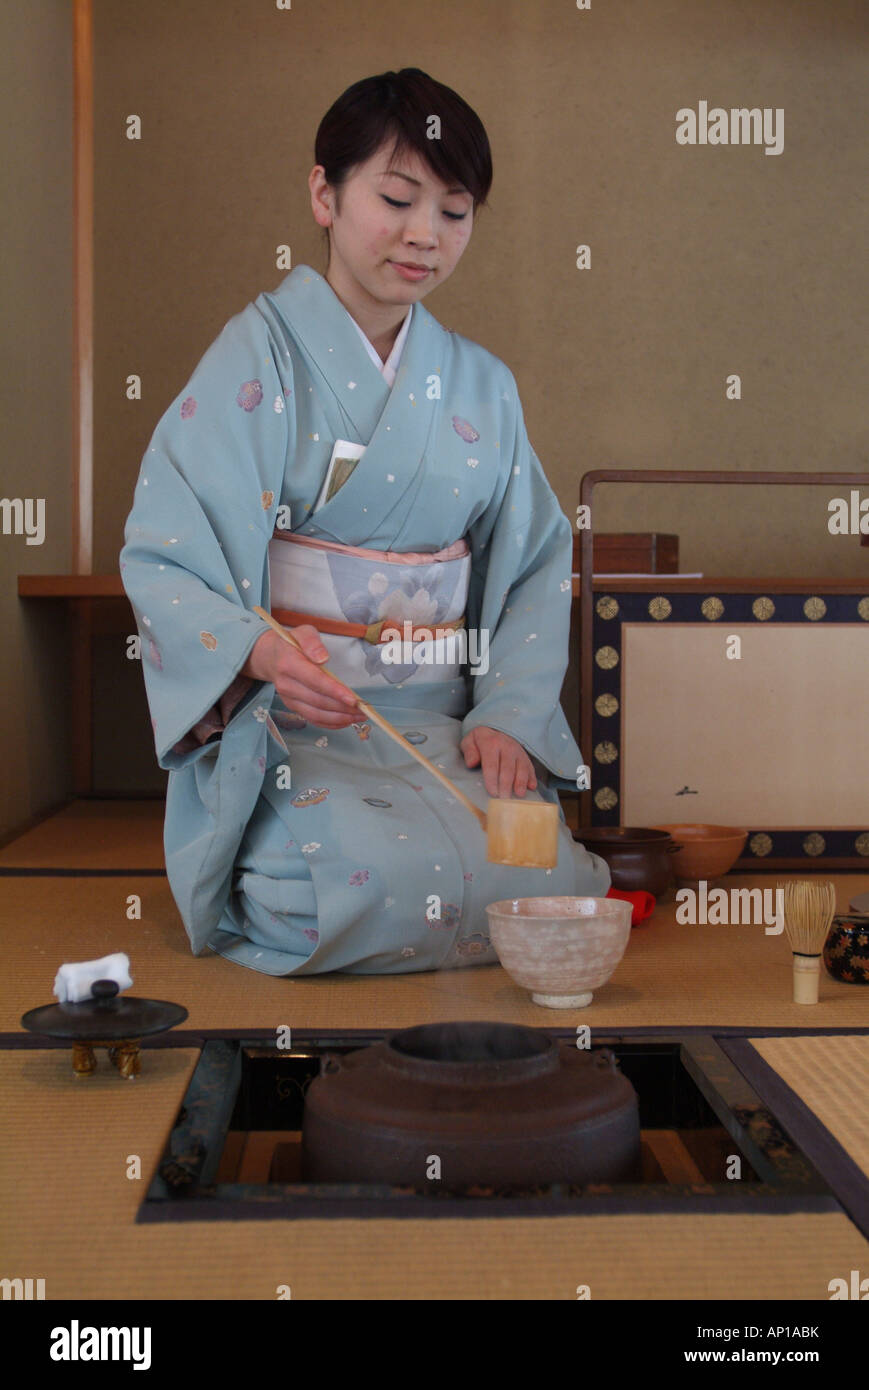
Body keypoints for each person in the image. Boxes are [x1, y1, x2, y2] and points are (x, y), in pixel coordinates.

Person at [119, 68, 610, 977]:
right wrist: (261, 654)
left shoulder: (481, 387)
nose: (425, 235)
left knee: (547, 879)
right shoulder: (254, 357)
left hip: (444, 725)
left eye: (455, 212)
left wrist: (506, 712)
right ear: (324, 194)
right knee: (339, 885)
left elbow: (536, 563)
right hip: (294, 727)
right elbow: (164, 552)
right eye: (396, 198)